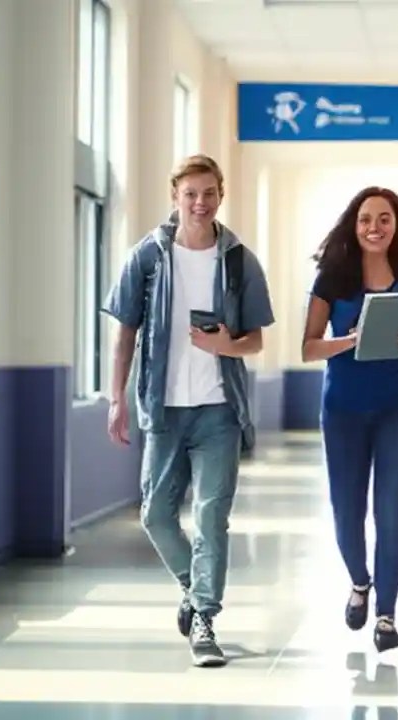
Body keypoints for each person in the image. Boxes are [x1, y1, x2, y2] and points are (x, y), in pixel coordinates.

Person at [103, 154, 276, 668]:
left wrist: (227, 345)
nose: (200, 203)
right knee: (155, 515)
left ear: (221, 195)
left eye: (209, 193)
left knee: (211, 517)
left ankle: (205, 618)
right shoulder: (148, 258)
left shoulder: (240, 260)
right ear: (175, 197)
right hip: (163, 408)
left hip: (219, 411)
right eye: (190, 194)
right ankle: (192, 587)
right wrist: (117, 397)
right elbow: (124, 336)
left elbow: (257, 342)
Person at [301, 186, 398, 653]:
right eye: (365, 220)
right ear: (353, 225)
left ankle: (387, 615)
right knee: (347, 511)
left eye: (384, 219)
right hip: (343, 408)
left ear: (397, 225)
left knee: (391, 510)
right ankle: (360, 582)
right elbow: (309, 346)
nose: (374, 228)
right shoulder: (332, 277)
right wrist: (350, 341)